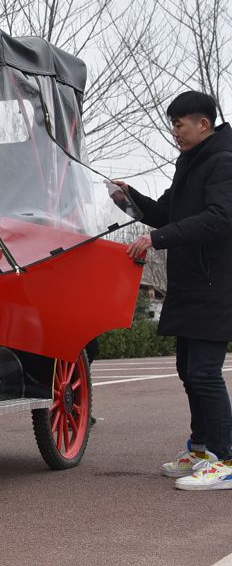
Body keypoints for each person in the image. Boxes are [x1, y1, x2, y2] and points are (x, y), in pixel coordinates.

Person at [112, 90, 232, 491]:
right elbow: (167, 212)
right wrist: (130, 200)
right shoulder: (191, 161)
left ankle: (228, 458)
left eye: (180, 124)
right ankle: (202, 450)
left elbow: (220, 218)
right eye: (173, 124)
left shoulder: (223, 161)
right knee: (188, 371)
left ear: (204, 123)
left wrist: (156, 239)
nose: (175, 132)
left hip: (217, 284)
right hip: (191, 284)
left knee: (204, 372)